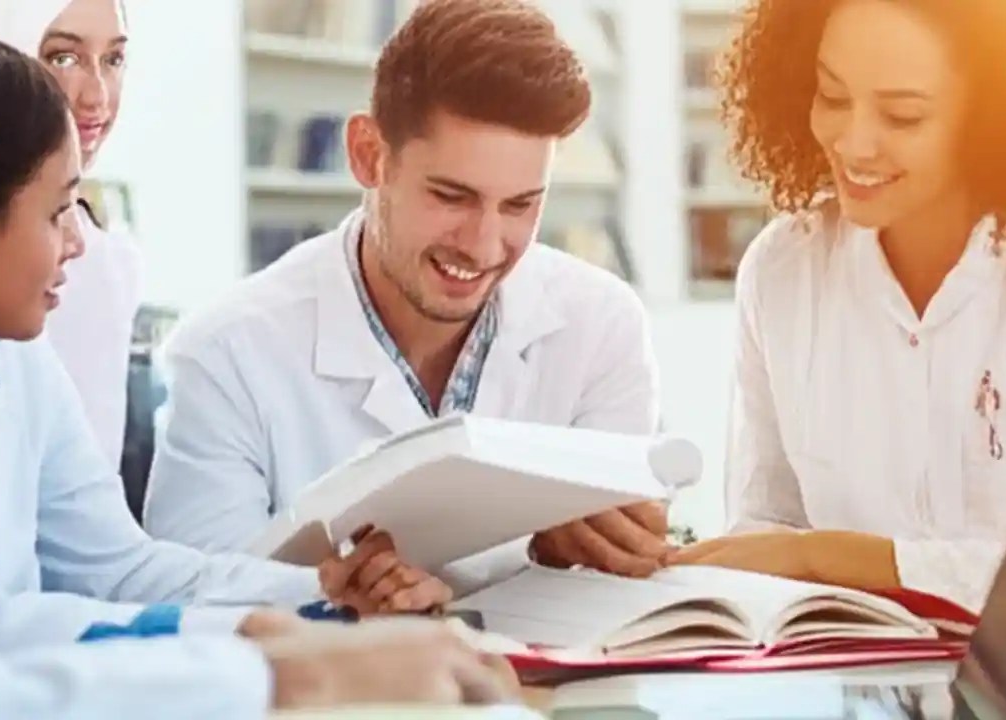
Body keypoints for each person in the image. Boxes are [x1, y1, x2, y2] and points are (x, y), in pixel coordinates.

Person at [143, 0, 671, 616]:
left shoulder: (602, 323)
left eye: (521, 205)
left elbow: (618, 590)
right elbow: (192, 599)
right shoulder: (225, 351)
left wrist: (574, 547)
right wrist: (339, 602)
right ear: (370, 155)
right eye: (452, 196)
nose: (483, 244)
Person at [0, 21, 333, 649]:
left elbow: (116, 569)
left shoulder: (14, 357)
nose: (78, 242)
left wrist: (324, 593)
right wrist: (254, 643)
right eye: (59, 212)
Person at [672, 0, 1006, 612]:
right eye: (833, 97)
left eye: (903, 114)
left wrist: (822, 557)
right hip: (840, 685)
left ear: (996, 116)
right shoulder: (782, 269)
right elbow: (764, 527)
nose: (854, 142)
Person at [0, 0, 142, 471]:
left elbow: (86, 522)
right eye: (63, 57)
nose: (97, 98)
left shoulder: (98, 265)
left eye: (113, 59)